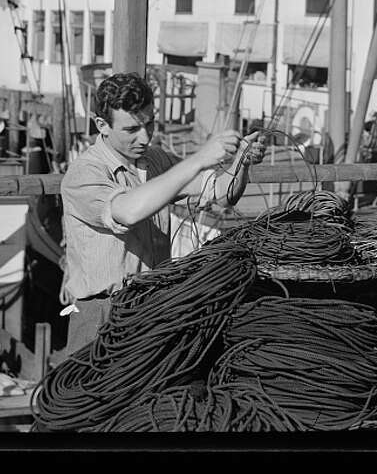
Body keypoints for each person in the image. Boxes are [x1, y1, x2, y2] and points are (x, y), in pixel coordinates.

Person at [58, 72, 263, 355]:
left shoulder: (156, 159)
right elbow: (128, 212)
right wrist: (200, 158)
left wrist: (241, 162)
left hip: (152, 305)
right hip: (101, 313)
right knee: (93, 396)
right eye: (131, 130)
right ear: (101, 125)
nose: (145, 137)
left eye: (150, 124)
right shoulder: (84, 173)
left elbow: (221, 193)